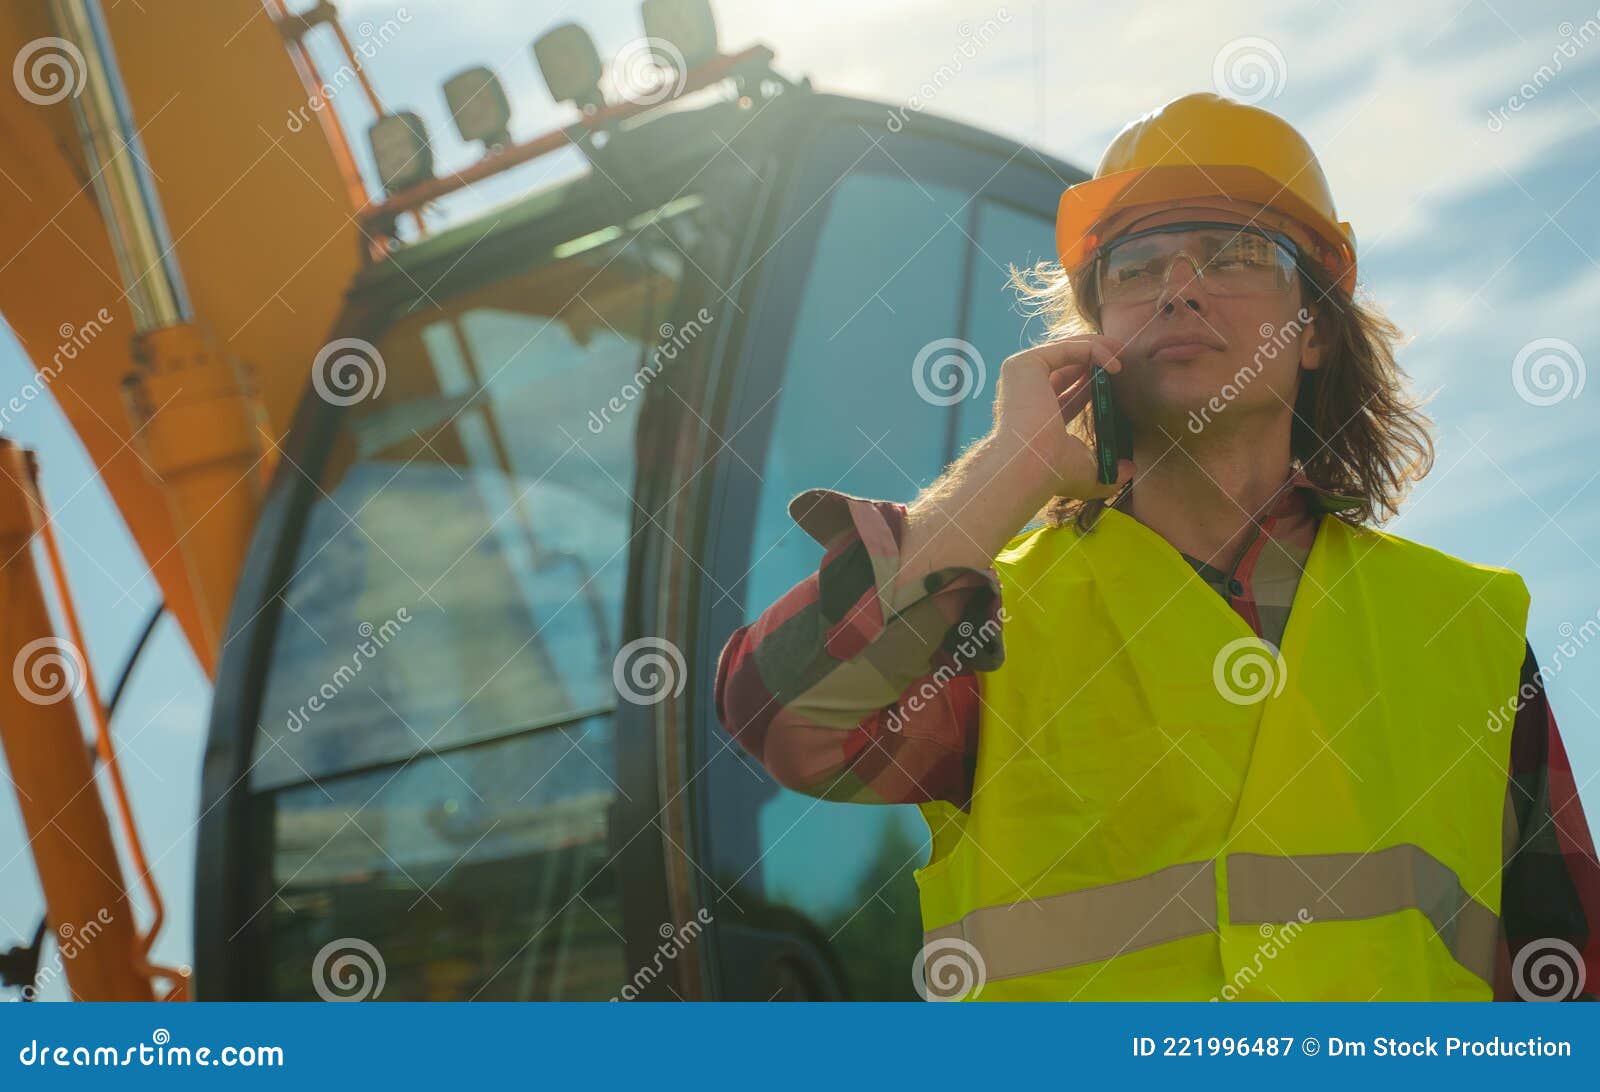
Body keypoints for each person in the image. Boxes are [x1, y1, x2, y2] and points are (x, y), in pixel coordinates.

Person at [714, 92, 1599, 1001]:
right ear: (1096, 335)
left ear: (1318, 330)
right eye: (1135, 267)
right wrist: (1008, 470)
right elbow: (786, 724)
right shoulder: (989, 625)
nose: (1179, 285)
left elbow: (1567, 981)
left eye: (1238, 253)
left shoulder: (1465, 629)